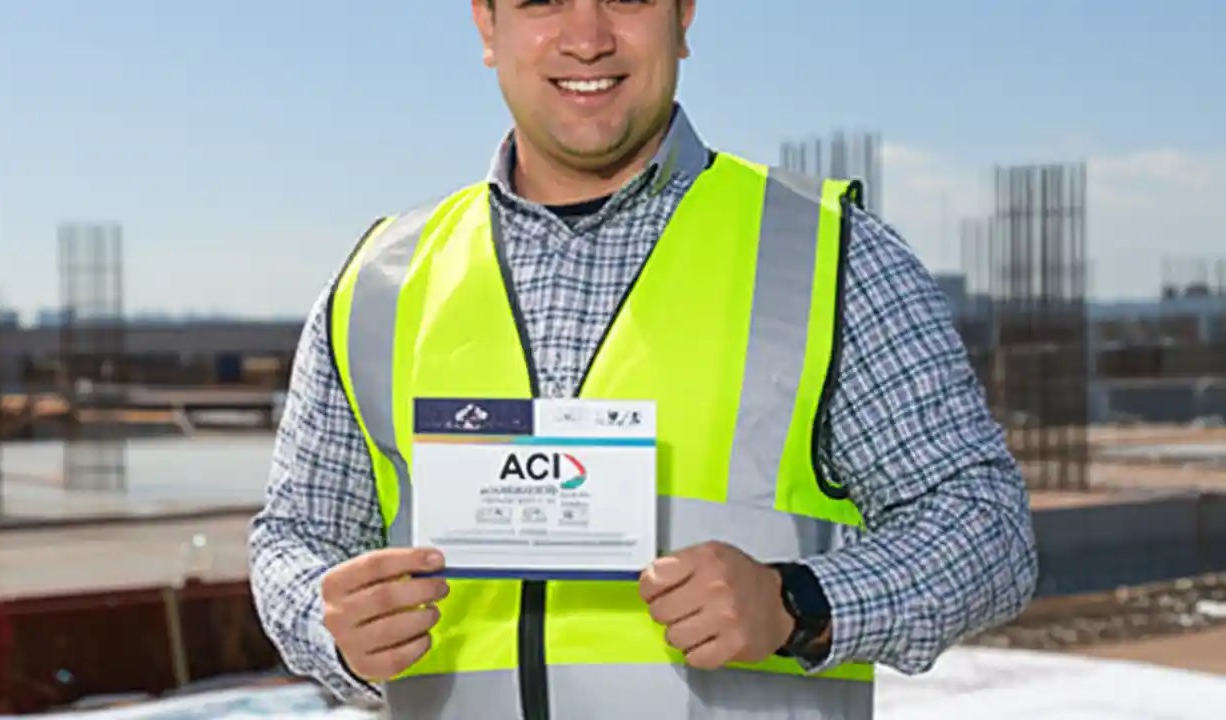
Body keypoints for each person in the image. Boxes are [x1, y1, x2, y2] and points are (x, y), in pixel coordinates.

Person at [248, 1, 1038, 718]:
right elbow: (295, 536)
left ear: (683, 16)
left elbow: (989, 529)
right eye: (543, 1)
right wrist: (332, 623)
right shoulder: (380, 281)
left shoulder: (828, 254)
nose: (587, 38)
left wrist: (797, 600)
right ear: (486, 24)